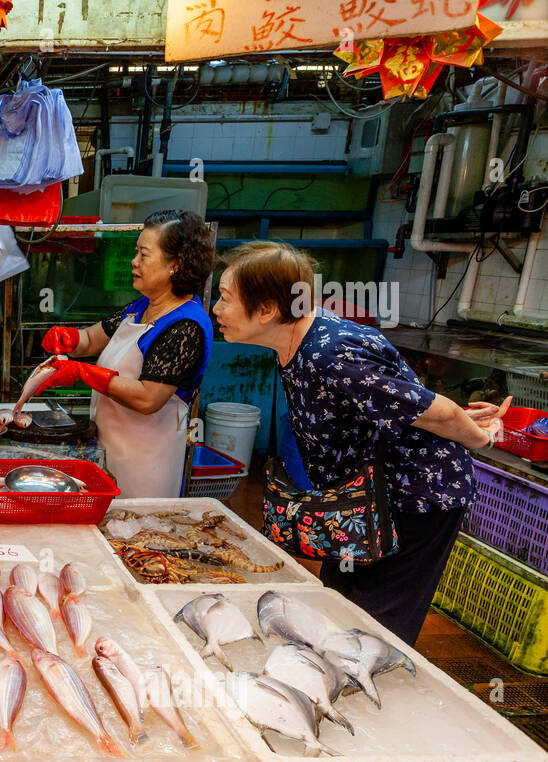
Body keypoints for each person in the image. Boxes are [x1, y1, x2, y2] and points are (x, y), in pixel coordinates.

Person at [212, 241, 506, 646]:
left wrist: (485, 439)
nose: (216, 309)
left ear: (266, 310)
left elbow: (440, 413)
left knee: (377, 620)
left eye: (225, 298)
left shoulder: (331, 354)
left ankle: (376, 689)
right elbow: (403, 402)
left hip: (414, 499)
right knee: (339, 599)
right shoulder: (293, 343)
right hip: (359, 499)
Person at [37, 209, 216, 497]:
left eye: (143, 255)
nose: (134, 262)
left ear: (176, 263)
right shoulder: (140, 307)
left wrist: (84, 373)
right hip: (109, 453)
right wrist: (69, 338)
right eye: (136, 252)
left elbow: (148, 398)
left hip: (146, 469)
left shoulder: (186, 326)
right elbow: (91, 339)